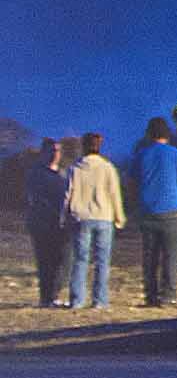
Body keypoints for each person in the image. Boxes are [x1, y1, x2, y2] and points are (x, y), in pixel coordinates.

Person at [133, 116, 177, 308]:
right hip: (172, 213)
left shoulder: (141, 155)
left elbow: (132, 183)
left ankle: (150, 295)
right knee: (171, 257)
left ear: (149, 134)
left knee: (150, 257)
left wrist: (137, 205)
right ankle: (169, 296)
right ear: (168, 134)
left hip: (148, 212)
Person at [64, 132, 125, 311]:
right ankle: (100, 300)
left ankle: (77, 300)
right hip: (104, 217)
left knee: (80, 259)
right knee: (102, 261)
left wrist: (63, 215)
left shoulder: (75, 168)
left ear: (83, 146)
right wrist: (119, 217)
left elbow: (68, 194)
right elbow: (115, 194)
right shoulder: (108, 168)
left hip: (81, 217)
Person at [24, 138, 70, 307]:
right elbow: (33, 199)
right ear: (43, 153)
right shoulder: (35, 174)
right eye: (51, 151)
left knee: (61, 260)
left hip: (61, 224)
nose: (55, 154)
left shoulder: (63, 174)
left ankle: (54, 293)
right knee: (45, 261)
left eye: (57, 151)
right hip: (42, 224)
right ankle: (46, 297)